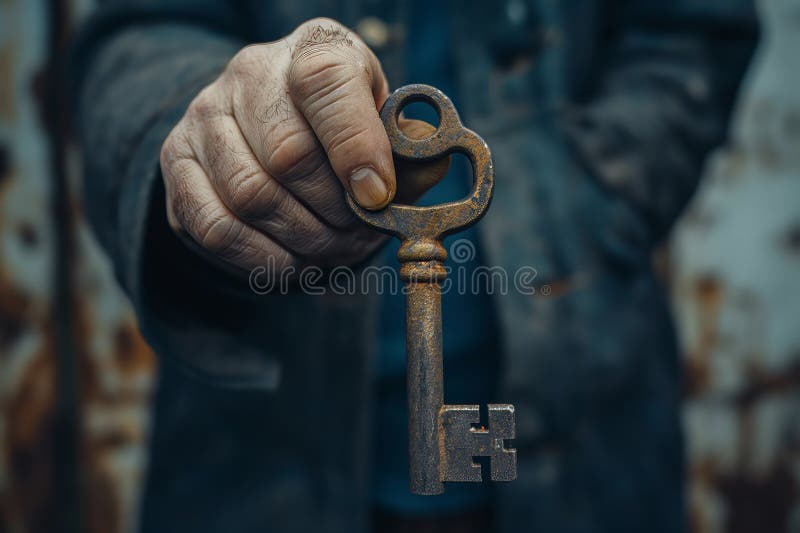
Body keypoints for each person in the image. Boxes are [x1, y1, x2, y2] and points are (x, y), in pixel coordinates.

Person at [72, 1, 756, 532]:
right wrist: (214, 141)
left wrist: (594, 199)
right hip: (255, 468)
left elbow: (691, 30)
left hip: (590, 448)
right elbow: (141, 33)